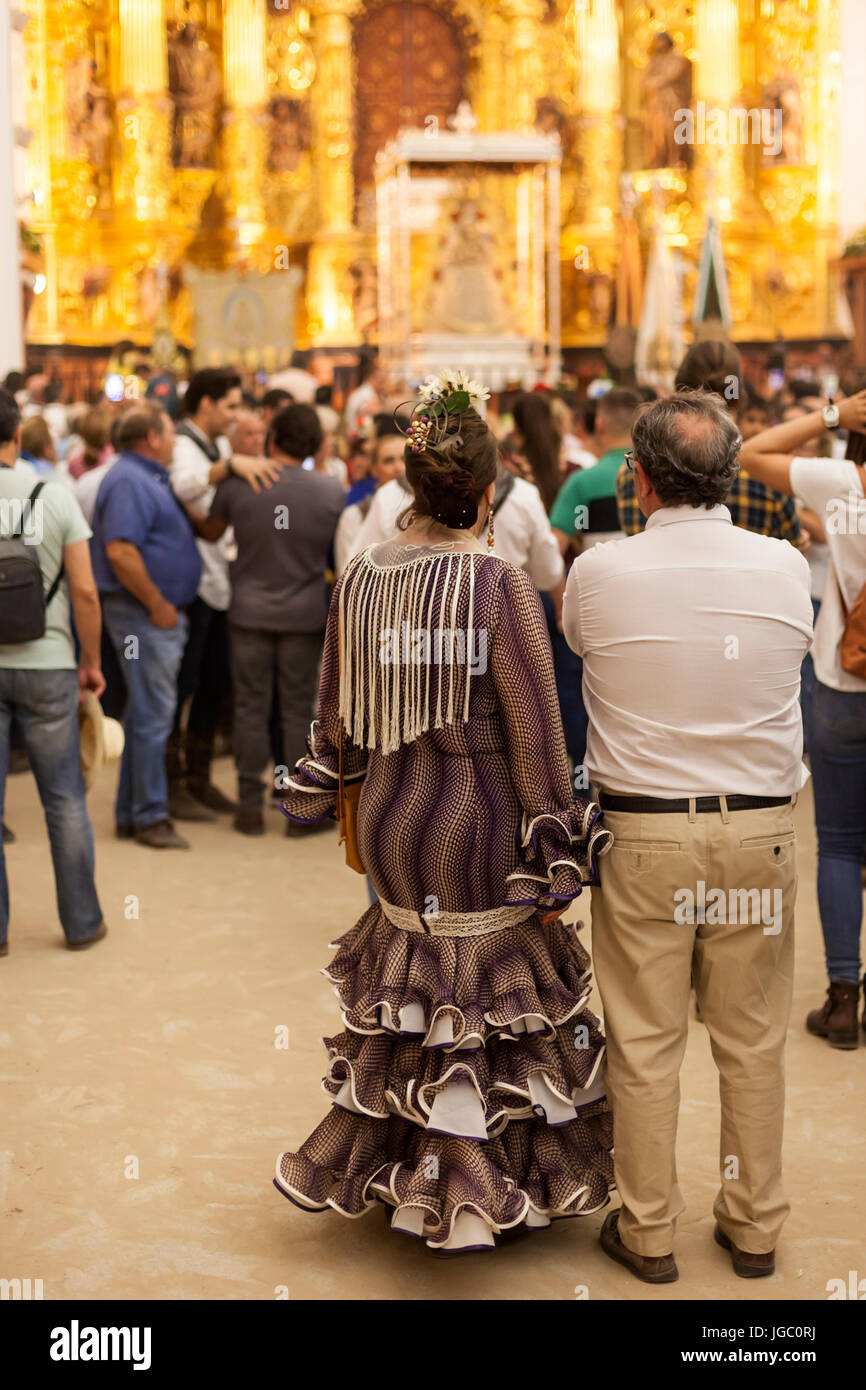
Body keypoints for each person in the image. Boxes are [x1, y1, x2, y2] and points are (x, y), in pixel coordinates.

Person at [274, 376, 613, 1252]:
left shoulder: (361, 578)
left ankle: (403, 1173)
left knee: (415, 992)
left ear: (412, 487)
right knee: (484, 999)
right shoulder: (498, 586)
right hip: (482, 815)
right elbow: (538, 731)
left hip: (392, 815)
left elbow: (333, 723)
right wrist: (555, 843)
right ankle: (471, 1189)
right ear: (487, 492)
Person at [563, 389, 812, 1284]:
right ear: (732, 474)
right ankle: (752, 1227)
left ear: (639, 481)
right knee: (751, 1042)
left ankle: (650, 1230)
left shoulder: (598, 572)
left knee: (644, 1042)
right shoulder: (785, 565)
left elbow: (580, 646)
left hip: (647, 838)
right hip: (760, 834)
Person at [739, 389, 866, 1049]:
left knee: (841, 845)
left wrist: (831, 417)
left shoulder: (842, 481)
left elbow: (750, 450)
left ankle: (843, 1001)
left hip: (843, 680)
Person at [202, 404, 344, 835]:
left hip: (248, 610)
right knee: (297, 710)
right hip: (303, 613)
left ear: (272, 438)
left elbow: (210, 532)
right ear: (316, 443)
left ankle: (248, 805)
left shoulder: (241, 484)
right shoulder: (331, 491)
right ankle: (294, 804)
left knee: (249, 706)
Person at [0, 389, 107, 951]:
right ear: (16, 435)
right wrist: (89, 662)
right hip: (48, 663)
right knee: (64, 800)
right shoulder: (54, 495)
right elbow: (85, 592)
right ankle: (82, 923)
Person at [90, 404, 202, 849]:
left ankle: (132, 813)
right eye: (171, 433)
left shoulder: (142, 475)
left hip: (147, 613)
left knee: (145, 714)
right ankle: (150, 815)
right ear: (151, 438)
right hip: (141, 615)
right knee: (154, 716)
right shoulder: (129, 480)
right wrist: (157, 604)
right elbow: (120, 551)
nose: (175, 441)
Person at [169, 368, 278, 820]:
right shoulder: (182, 444)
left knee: (213, 684)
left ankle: (198, 777)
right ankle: (171, 784)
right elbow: (185, 486)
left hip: (217, 582)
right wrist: (230, 466)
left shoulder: (211, 445)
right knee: (184, 687)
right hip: (193, 584)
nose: (235, 416)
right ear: (206, 403)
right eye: (231, 406)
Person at [615, 341, 802, 547]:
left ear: (677, 390)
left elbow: (634, 543)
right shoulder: (768, 472)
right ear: (738, 397)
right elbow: (791, 542)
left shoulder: (634, 473)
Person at [550, 389, 639, 554]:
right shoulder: (655, 476)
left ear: (599, 424)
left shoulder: (581, 482)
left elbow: (555, 546)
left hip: (597, 576)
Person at [334, 428, 404, 575]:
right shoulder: (355, 514)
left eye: (405, 460)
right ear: (374, 469)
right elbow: (345, 573)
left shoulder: (425, 510)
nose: (399, 468)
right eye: (388, 461)